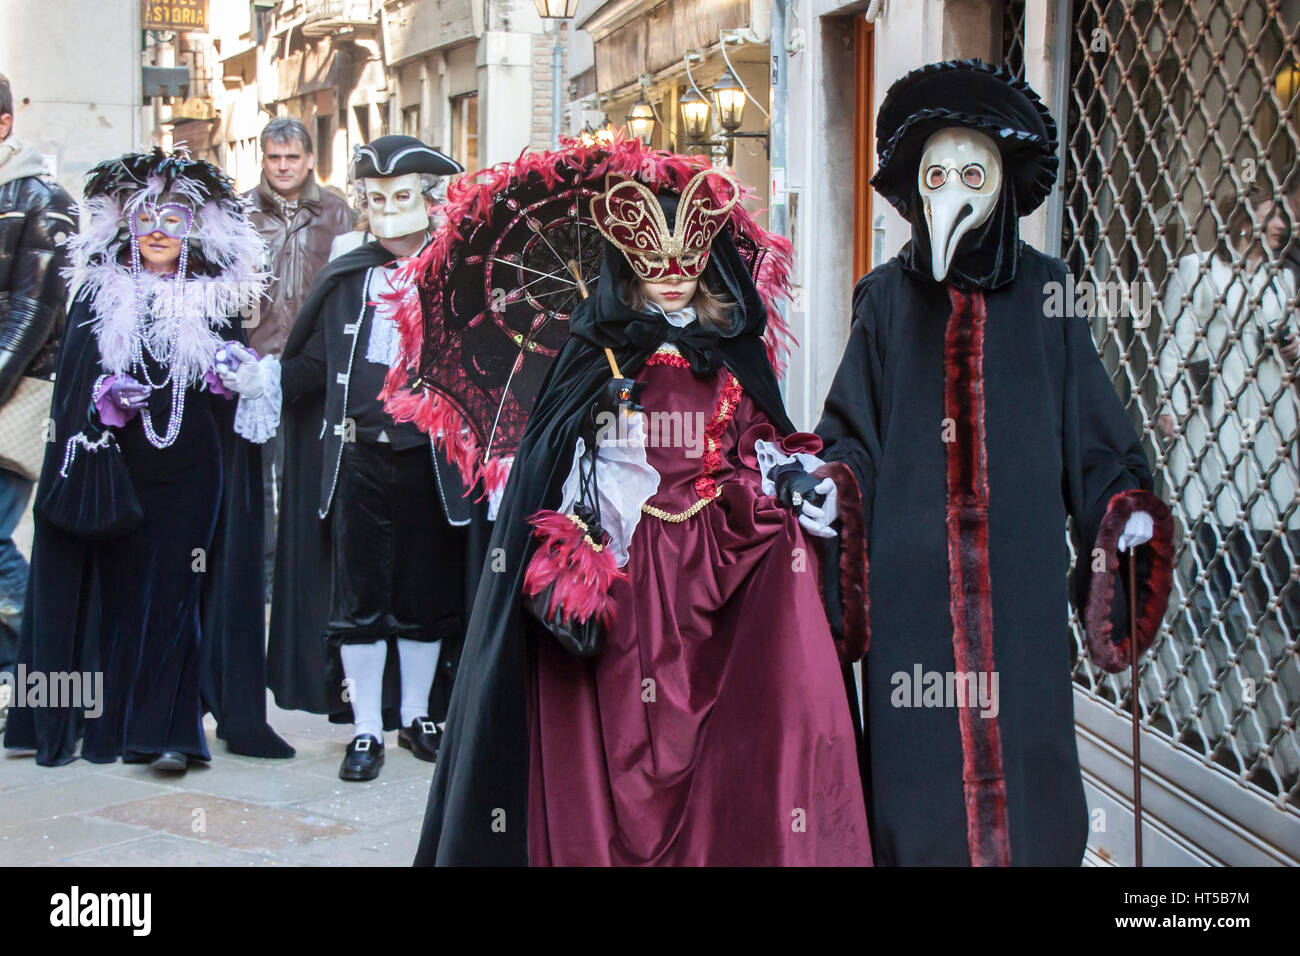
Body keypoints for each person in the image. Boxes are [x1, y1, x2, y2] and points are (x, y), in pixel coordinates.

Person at [413, 158, 873, 866]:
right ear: (624, 262)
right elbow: (552, 456)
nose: (669, 274)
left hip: (722, 556)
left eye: (685, 260)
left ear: (707, 258)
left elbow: (755, 436)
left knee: (764, 702)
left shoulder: (732, 348)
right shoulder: (592, 353)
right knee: (622, 743)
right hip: (629, 573)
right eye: (651, 261)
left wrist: (786, 477)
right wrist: (598, 442)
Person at [812, 60, 1174, 865]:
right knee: (919, 793)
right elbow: (850, 436)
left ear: (1002, 182)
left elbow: (1096, 437)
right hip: (915, 614)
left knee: (1031, 787)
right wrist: (832, 489)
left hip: (1018, 601)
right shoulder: (885, 301)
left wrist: (1123, 507)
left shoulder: (1050, 294)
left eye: (970, 172)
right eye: (936, 173)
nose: (951, 189)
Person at [3, 147, 293, 769]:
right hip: (117, 471)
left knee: (179, 593)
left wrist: (236, 378)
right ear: (125, 224)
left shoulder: (216, 297)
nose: (159, 231)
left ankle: (169, 734)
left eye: (175, 219)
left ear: (197, 227)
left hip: (195, 469)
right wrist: (103, 399)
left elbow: (235, 382)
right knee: (117, 592)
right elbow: (75, 381)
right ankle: (104, 722)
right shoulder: (97, 295)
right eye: (145, 218)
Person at [235, 135, 481, 781]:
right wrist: (268, 380)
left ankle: (419, 716)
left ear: (428, 200)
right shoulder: (347, 272)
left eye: (403, 196)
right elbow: (314, 364)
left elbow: (487, 368)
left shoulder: (458, 275)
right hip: (357, 462)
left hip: (431, 461)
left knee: (427, 595)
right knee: (360, 598)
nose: (389, 212)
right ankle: (368, 728)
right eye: (378, 199)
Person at [1156, 188, 1299, 645]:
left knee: (1257, 514)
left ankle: (1238, 609)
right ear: (1243, 220)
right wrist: (1171, 403)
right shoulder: (1198, 269)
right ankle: (1207, 611)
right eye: (1272, 215)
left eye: (1282, 217)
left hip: (1269, 414)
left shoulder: (1283, 279)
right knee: (1214, 512)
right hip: (1217, 409)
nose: (1281, 224)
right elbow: (1175, 340)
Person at [244, 118, 354, 599]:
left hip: (314, 364)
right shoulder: (240, 213)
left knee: (302, 472)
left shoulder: (336, 212)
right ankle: (261, 571)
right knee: (255, 472)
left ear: (310, 160)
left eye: (292, 157)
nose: (283, 166)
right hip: (253, 364)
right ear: (263, 161)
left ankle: (301, 569)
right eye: (274, 157)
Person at [0, 72, 76, 679]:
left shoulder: (44, 201)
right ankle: (15, 675)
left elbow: (31, 314)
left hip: (14, 394)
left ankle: (46, 670)